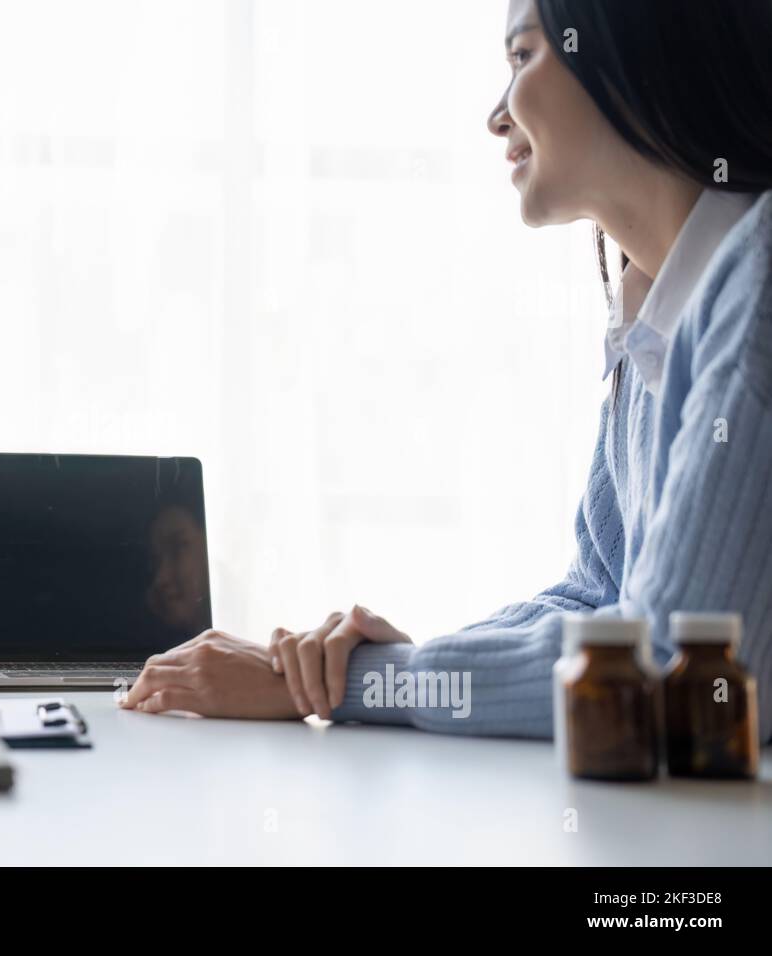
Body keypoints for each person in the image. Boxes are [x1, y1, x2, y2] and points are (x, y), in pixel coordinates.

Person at [124, 0, 772, 742]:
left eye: (523, 58)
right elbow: (596, 598)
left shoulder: (758, 286)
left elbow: (668, 670)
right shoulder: (652, 319)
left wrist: (350, 683)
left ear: (636, 50)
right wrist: (369, 668)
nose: (498, 116)